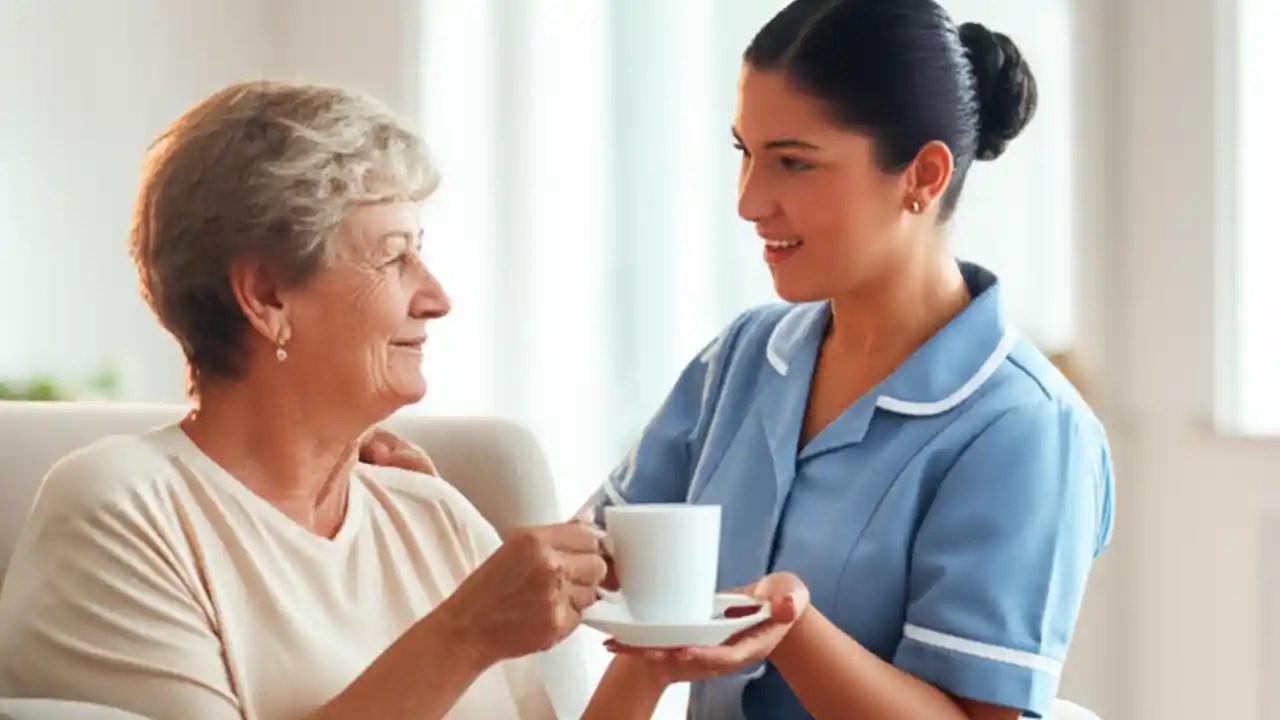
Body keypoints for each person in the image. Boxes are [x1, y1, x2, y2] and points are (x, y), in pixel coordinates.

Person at [0, 80, 684, 720]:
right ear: (267, 296)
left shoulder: (433, 516)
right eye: (394, 257)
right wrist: (464, 634)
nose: (437, 298)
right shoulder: (119, 511)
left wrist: (649, 663)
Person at [580, 1, 1116, 719]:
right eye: (744, 153)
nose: (749, 201)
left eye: (793, 163)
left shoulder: (1028, 428)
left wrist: (791, 630)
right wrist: (437, 512)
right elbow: (603, 553)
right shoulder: (746, 355)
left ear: (923, 176)